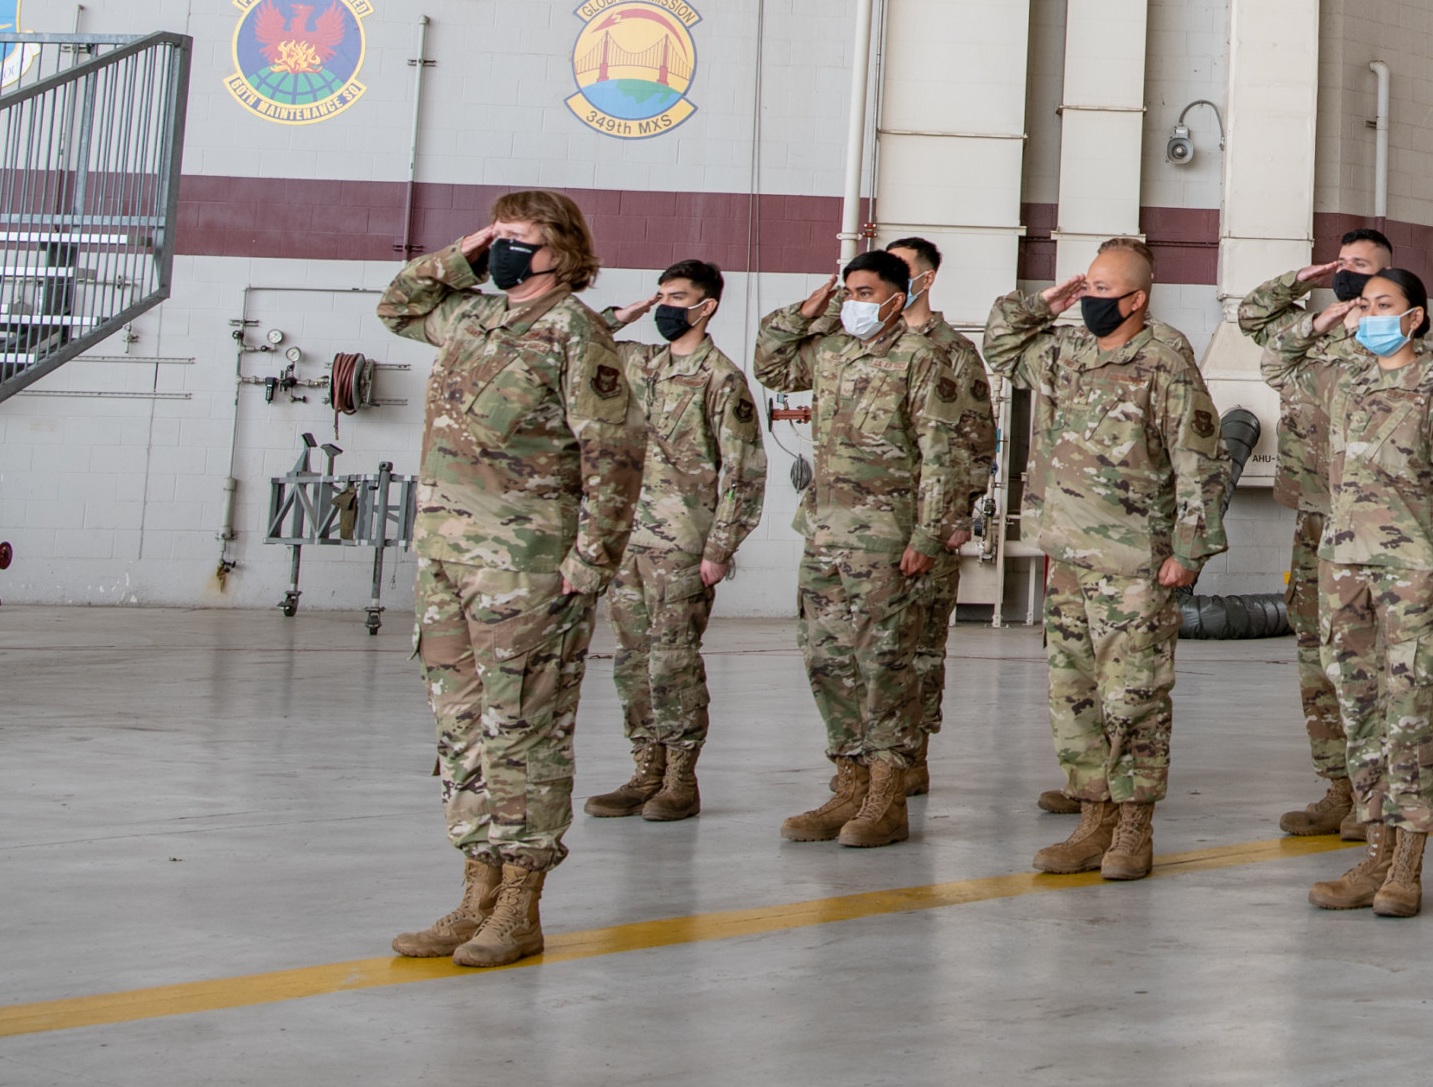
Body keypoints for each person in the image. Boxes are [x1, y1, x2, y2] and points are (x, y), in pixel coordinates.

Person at [379, 192, 640, 969]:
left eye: (519, 239)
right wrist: (465, 248)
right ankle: (476, 892)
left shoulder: (575, 333)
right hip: (448, 560)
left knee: (522, 727)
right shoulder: (473, 317)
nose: (503, 251)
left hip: (529, 569)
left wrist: (589, 562)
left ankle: (521, 902)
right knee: (460, 729)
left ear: (561, 249)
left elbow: (614, 455)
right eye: (499, 238)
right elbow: (400, 305)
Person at [980, 237, 1233, 881]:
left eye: (1100, 290)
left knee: (1135, 697)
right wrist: (1044, 302)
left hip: (1134, 562)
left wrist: (1189, 550)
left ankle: (1133, 828)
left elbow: (1198, 460)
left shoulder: (1165, 362)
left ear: (1137, 299)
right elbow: (1002, 347)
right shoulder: (1067, 352)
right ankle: (1092, 819)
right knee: (1074, 695)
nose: (1088, 298)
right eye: (1086, 286)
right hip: (1067, 553)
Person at [752, 248, 991, 849]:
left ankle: (887, 794)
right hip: (826, 534)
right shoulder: (831, 352)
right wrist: (806, 311)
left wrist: (930, 533)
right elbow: (771, 365)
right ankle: (848, 784)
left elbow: (943, 454)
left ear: (896, 294)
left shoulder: (925, 358)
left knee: (884, 665)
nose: (854, 302)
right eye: (848, 291)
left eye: (864, 292)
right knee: (828, 662)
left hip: (890, 538)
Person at [1268, 268, 1433, 919]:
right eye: (1364, 305)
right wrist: (1324, 320)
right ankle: (1375, 852)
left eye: (1384, 305)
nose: (1370, 315)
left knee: (1408, 714)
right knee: (1359, 712)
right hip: (1344, 565)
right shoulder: (1344, 381)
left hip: (1412, 570)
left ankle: (1407, 865)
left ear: (1415, 318)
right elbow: (1277, 359)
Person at [582, 260, 764, 823]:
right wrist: (626, 313)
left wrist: (719, 549)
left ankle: (681, 777)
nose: (664, 305)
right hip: (628, 541)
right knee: (631, 662)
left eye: (676, 297)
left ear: (706, 307)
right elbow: (579, 338)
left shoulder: (721, 379)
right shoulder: (638, 362)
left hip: (683, 543)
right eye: (660, 295)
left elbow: (744, 471)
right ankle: (645, 771)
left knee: (673, 663)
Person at [1234, 224, 1397, 838]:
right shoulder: (1315, 340)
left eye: (1364, 266)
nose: (1350, 273)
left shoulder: (1385, 341)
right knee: (1314, 655)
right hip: (1314, 518)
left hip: (1369, 527)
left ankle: (1372, 792)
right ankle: (1336, 784)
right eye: (1344, 263)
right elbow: (1257, 323)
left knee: (1365, 659)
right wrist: (1306, 286)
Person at [877, 234, 1000, 793]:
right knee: (869, 650)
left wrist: (956, 518)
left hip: (930, 525)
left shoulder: (954, 351)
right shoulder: (863, 344)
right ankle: (868, 763)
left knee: (920, 650)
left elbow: (978, 441)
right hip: (870, 528)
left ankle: (910, 759)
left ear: (924, 279)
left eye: (900, 269)